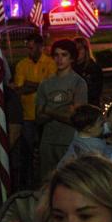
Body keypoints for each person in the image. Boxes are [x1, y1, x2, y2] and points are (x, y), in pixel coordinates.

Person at [36, 39, 88, 183]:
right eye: (56, 55)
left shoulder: (79, 83)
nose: (59, 59)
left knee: (70, 183)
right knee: (48, 183)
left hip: (69, 142)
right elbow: (38, 117)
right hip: (48, 142)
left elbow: (76, 118)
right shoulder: (45, 84)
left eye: (64, 55)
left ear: (72, 58)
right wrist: (65, 108)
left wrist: (49, 109)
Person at [13, 33, 56, 189]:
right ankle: (29, 183)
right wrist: (38, 85)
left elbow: (50, 87)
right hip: (27, 115)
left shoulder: (51, 63)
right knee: (28, 151)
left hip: (45, 115)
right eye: (28, 47)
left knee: (45, 151)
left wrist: (30, 86)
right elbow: (19, 88)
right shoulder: (22, 64)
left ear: (40, 46)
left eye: (32, 47)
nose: (29, 51)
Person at [72, 37, 103, 106]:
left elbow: (95, 92)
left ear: (86, 50)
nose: (77, 52)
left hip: (89, 107)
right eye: (75, 49)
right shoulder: (70, 68)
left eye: (79, 49)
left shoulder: (94, 68)